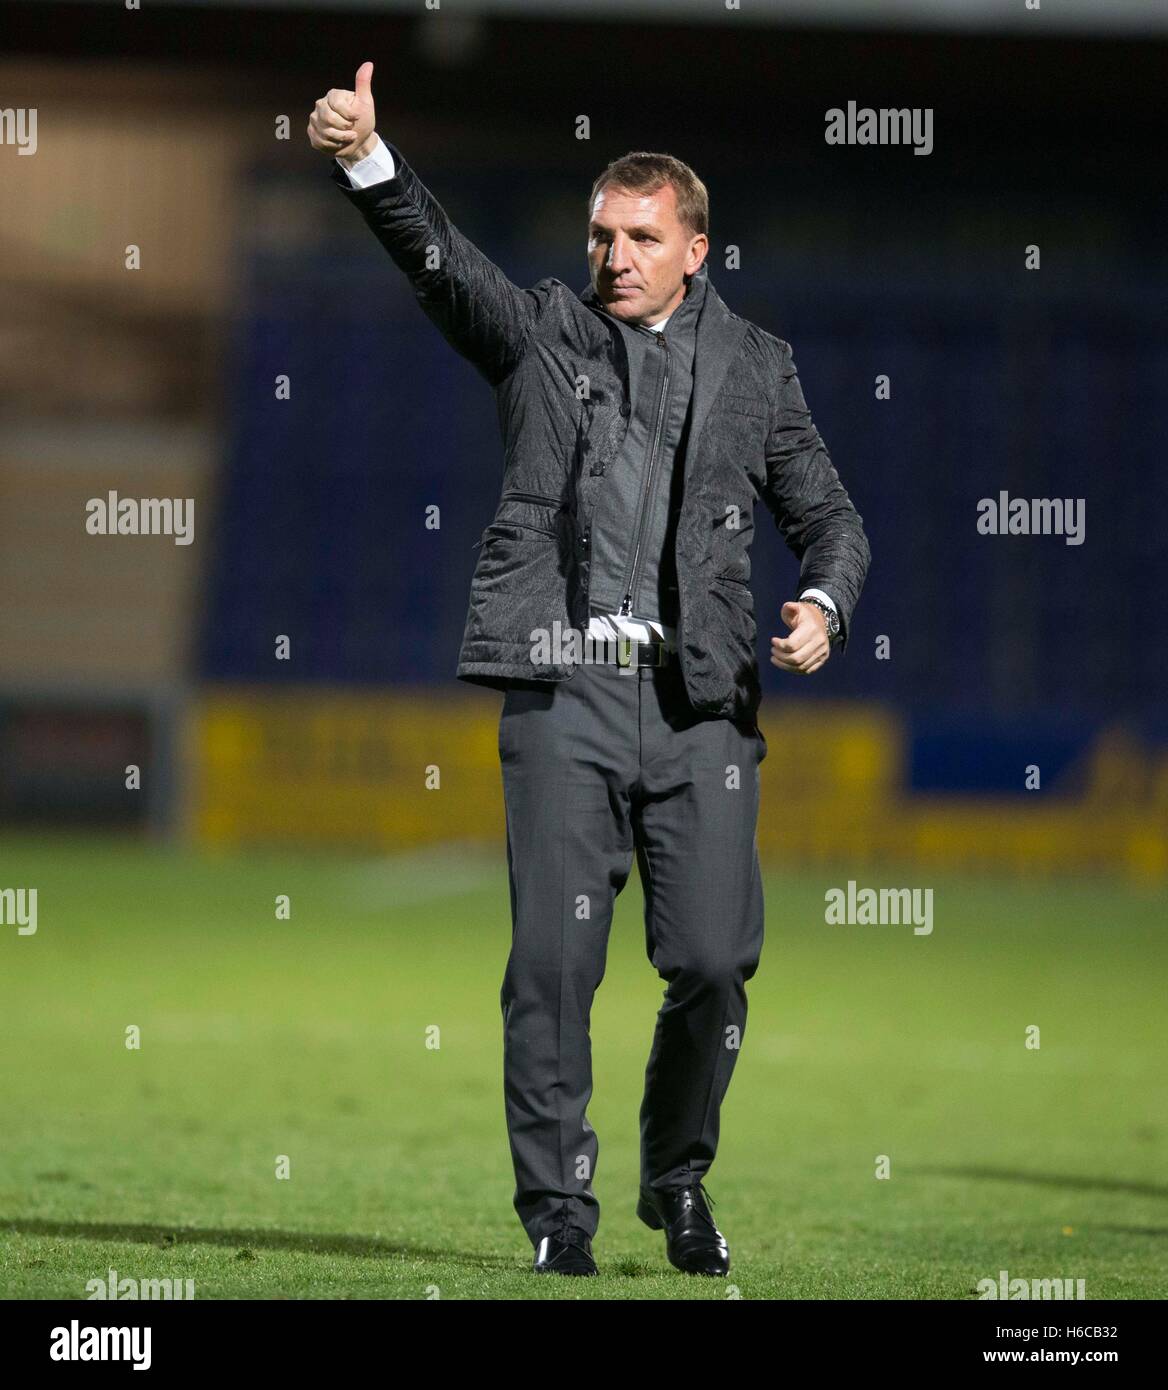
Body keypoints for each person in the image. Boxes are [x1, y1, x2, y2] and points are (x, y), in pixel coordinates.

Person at [308, 62, 871, 1278]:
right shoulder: (543, 335)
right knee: (556, 968)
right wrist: (368, 159)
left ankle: (677, 1182)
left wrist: (824, 600)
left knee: (715, 960)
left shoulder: (759, 369)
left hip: (702, 706)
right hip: (563, 691)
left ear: (695, 250)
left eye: (640, 236)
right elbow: (442, 265)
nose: (614, 255)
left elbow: (834, 521)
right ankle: (559, 1216)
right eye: (601, 234)